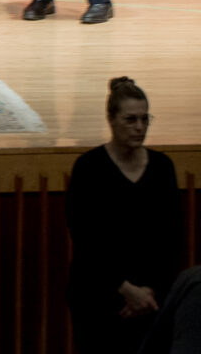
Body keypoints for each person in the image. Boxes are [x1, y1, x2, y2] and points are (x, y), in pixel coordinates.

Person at [67, 77, 182, 354]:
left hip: (152, 297)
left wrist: (148, 292)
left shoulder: (162, 167)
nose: (140, 127)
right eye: (131, 120)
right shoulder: (89, 168)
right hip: (99, 294)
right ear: (111, 119)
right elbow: (86, 240)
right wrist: (125, 289)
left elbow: (171, 236)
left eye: (145, 119)